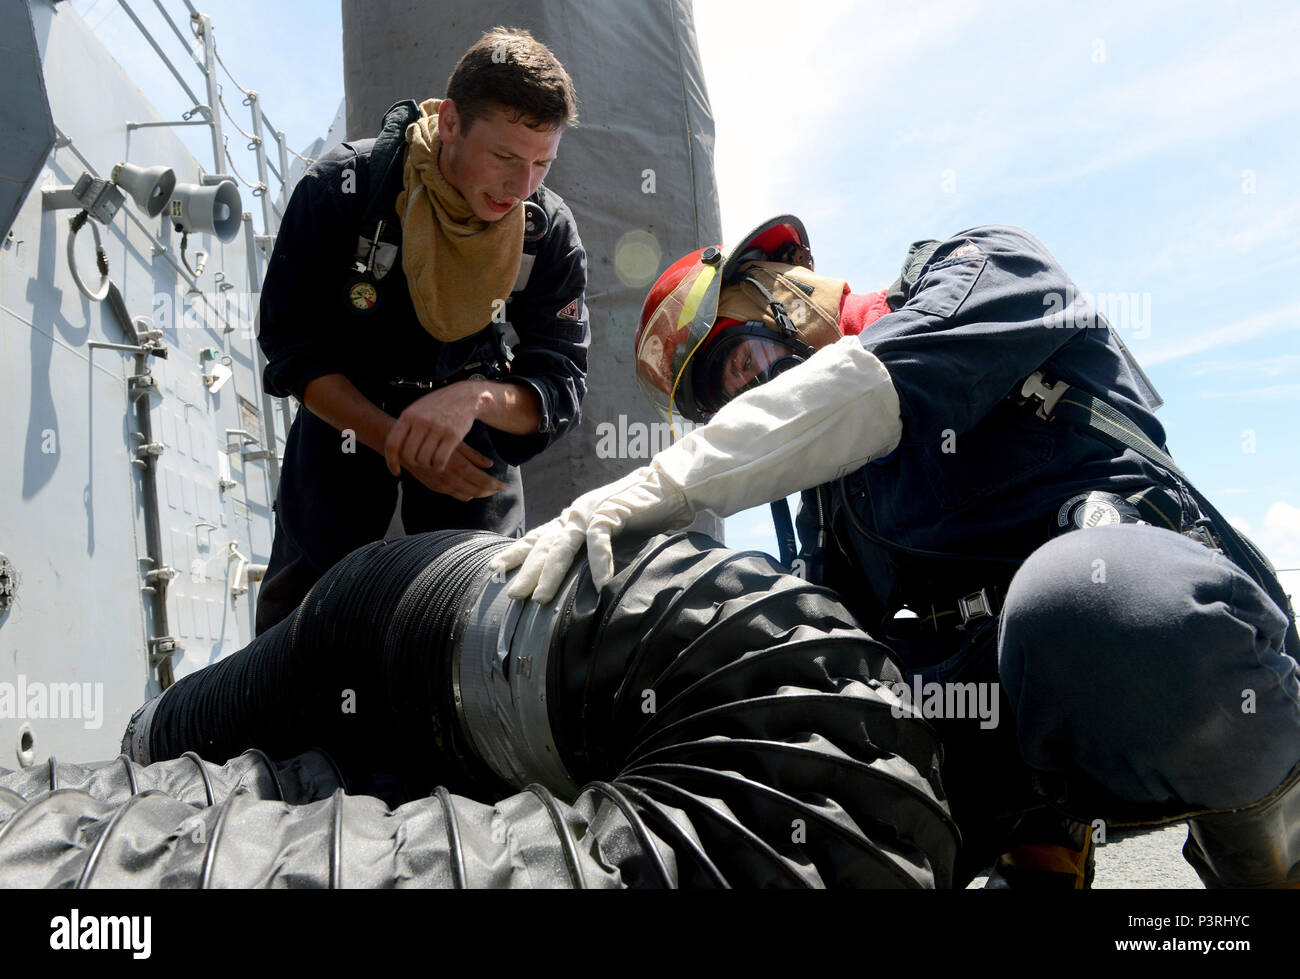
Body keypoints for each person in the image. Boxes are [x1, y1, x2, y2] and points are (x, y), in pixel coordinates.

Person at [491, 216, 1300, 888]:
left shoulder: (984, 270)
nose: (752, 395)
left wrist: (652, 489)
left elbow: (863, 392)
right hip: (1018, 696)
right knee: (823, 715)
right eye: (726, 401)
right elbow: (828, 667)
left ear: (782, 281)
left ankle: (1274, 850)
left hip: (1167, 625)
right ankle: (1041, 847)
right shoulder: (841, 501)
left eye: (743, 361)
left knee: (1081, 602)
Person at [256, 27, 589, 635]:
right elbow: (289, 345)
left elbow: (560, 387)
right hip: (344, 428)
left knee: (484, 624)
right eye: (506, 158)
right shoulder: (343, 189)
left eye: (543, 163)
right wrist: (392, 437)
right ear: (454, 123)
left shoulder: (548, 235)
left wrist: (477, 398)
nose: (522, 188)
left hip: (470, 447)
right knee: (302, 630)